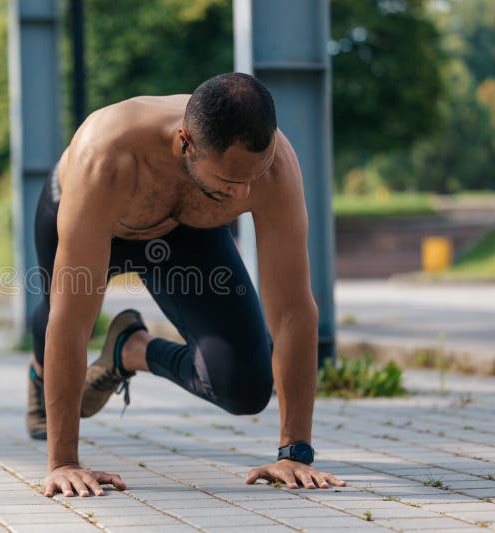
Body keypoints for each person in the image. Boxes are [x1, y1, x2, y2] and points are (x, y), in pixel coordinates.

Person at [25, 72, 347, 498]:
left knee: (245, 388)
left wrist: (295, 452)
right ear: (184, 143)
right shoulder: (107, 156)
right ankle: (40, 374)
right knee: (56, 309)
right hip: (99, 217)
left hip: (186, 233)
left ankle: (132, 348)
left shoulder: (275, 168)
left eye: (256, 173)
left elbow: (293, 310)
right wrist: (63, 463)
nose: (244, 194)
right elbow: (71, 320)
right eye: (231, 182)